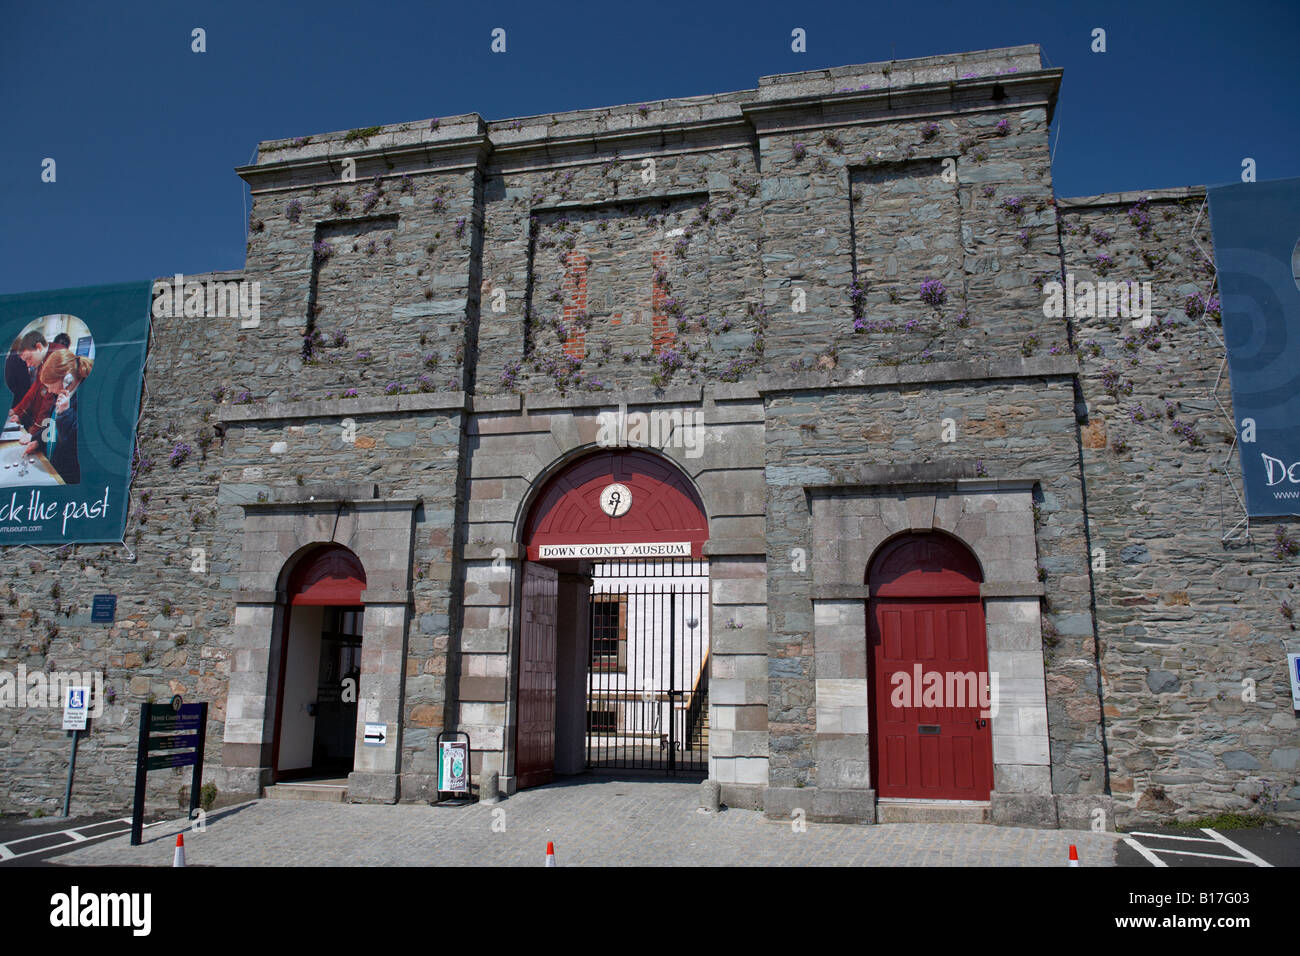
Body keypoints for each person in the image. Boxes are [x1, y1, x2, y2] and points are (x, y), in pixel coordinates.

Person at [21, 350, 92, 484]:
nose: (49, 391)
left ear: (67, 379)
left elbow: (76, 442)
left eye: (50, 386)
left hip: (67, 477)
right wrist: (38, 441)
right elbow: (52, 426)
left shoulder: (87, 397)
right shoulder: (63, 394)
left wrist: (65, 413)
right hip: (53, 466)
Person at [4, 335, 29, 411]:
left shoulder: (8, 359)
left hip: (11, 397)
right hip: (19, 398)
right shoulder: (20, 359)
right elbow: (25, 381)